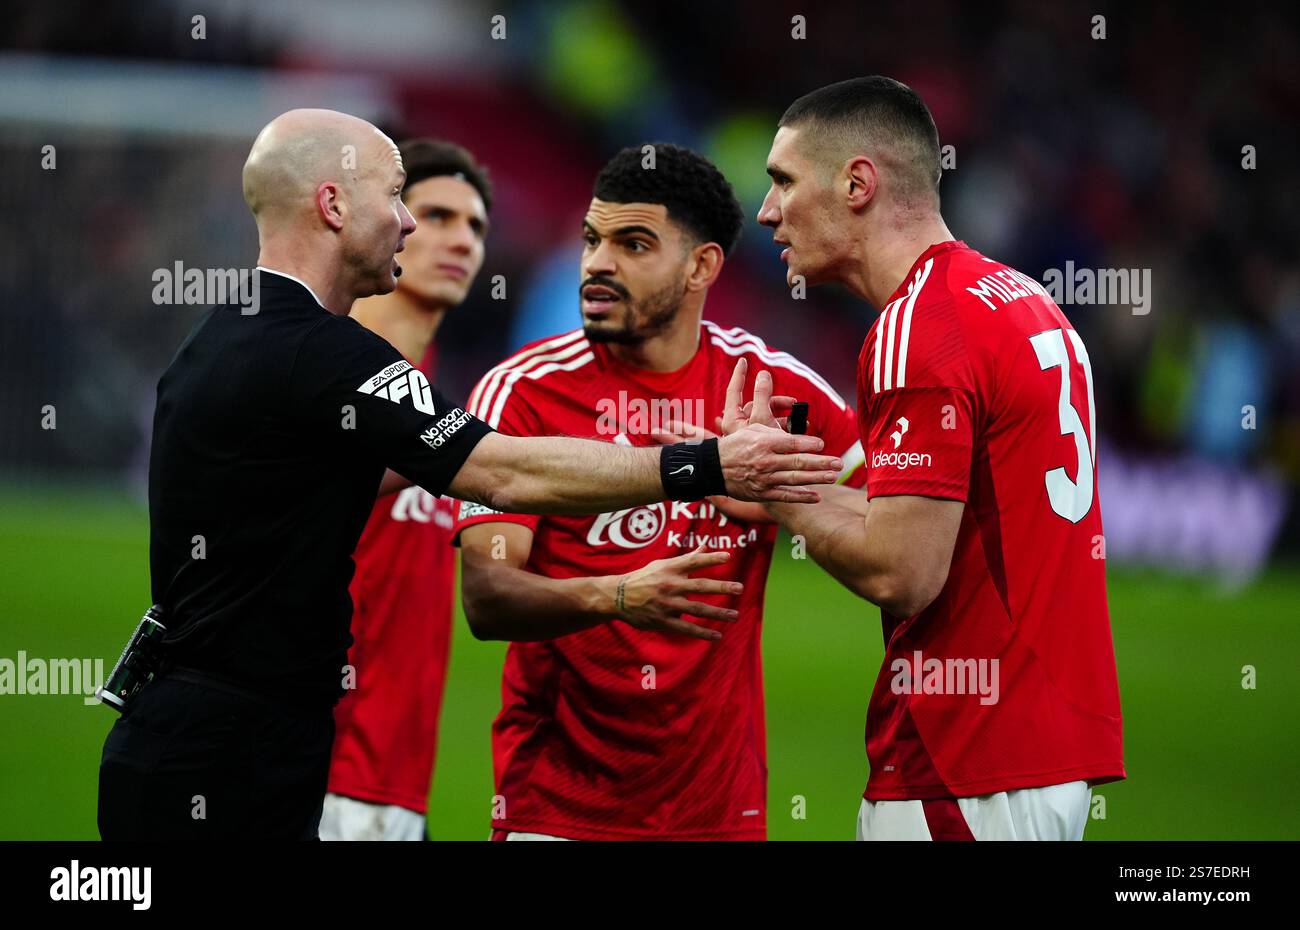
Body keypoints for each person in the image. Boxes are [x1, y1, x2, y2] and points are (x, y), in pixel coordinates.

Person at [97, 109, 840, 841]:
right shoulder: (328, 355)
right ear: (332, 205)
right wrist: (706, 464)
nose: (411, 224)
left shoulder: (219, 339)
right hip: (241, 748)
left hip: (178, 727)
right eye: (396, 197)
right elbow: (501, 472)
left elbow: (355, 478)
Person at [456, 143, 868, 841]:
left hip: (722, 815)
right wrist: (615, 596)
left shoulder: (777, 391)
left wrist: (786, 500)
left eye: (633, 243)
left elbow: (893, 533)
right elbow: (487, 596)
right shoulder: (522, 393)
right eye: (592, 239)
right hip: (556, 811)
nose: (597, 263)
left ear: (701, 266)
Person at [748, 76, 1124, 840]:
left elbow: (903, 569)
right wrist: (780, 488)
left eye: (782, 181)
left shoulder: (916, 330)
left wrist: (777, 493)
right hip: (1042, 758)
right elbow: (944, 524)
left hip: (962, 764)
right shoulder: (1019, 298)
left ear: (857, 183)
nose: (767, 212)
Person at [320, 139, 492, 841]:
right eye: (438, 215)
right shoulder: (316, 371)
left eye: (477, 226)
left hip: (397, 784)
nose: (460, 239)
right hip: (308, 764)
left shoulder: (442, 397)